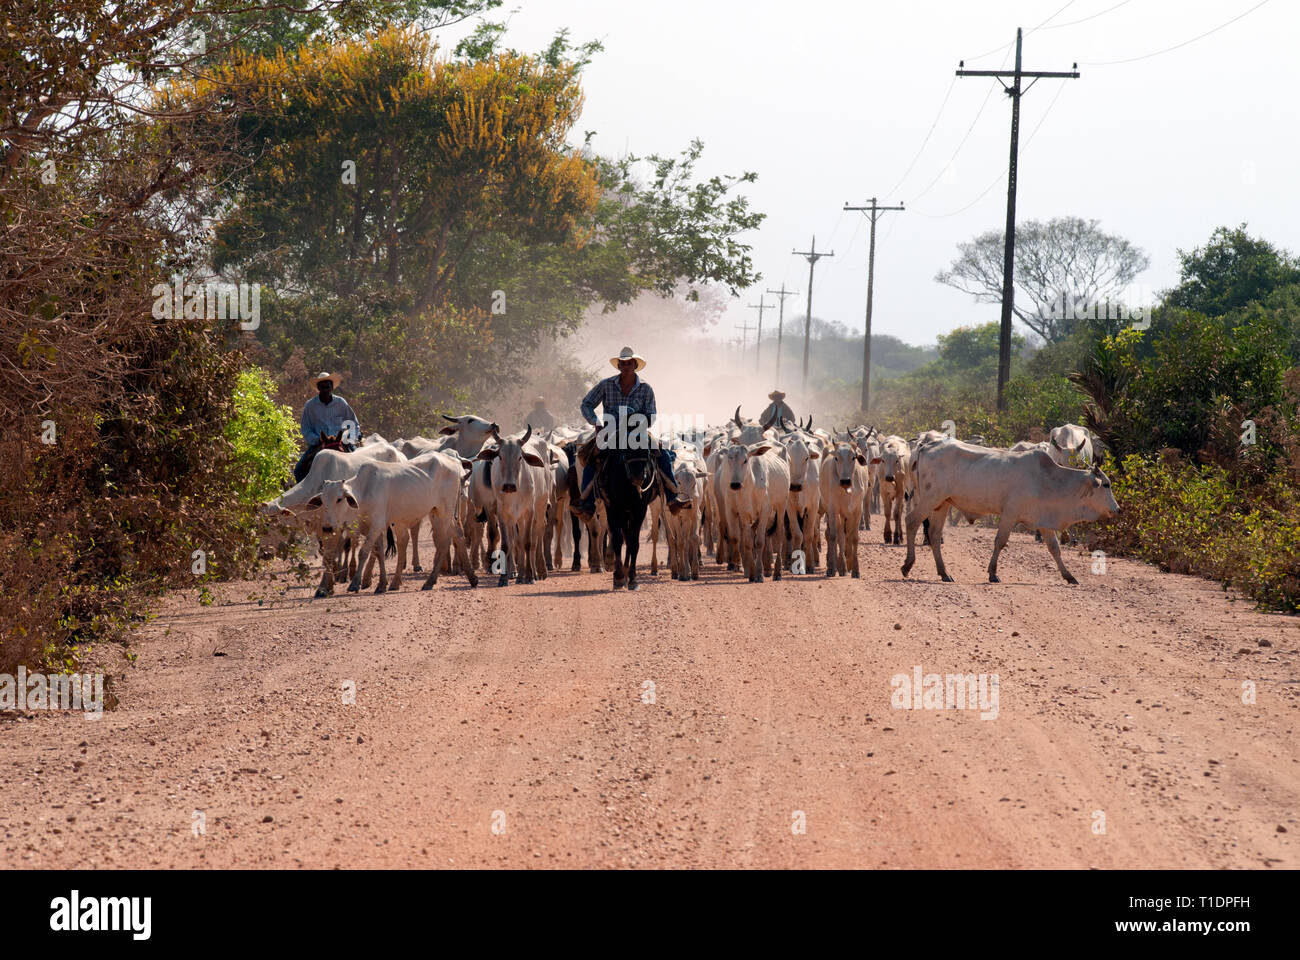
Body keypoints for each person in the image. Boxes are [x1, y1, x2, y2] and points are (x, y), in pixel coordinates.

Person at [575, 346, 675, 516]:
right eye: (623, 363)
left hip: (637, 431)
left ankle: (673, 496)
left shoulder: (645, 388)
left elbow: (651, 414)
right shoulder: (606, 385)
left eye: (629, 363)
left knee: (662, 453)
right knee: (590, 455)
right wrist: (596, 422)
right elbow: (586, 404)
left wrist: (640, 422)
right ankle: (587, 503)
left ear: (635, 365)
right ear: (619, 366)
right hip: (609, 430)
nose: (626, 366)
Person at [294, 372, 361, 483]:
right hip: (320, 443)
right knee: (299, 471)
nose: (326, 389)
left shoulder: (341, 403)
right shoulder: (310, 406)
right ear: (318, 388)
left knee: (359, 465)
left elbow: (352, 422)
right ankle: (305, 498)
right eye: (323, 386)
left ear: (332, 387)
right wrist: (316, 439)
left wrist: (350, 438)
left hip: (340, 441)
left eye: (328, 386)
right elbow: (306, 428)